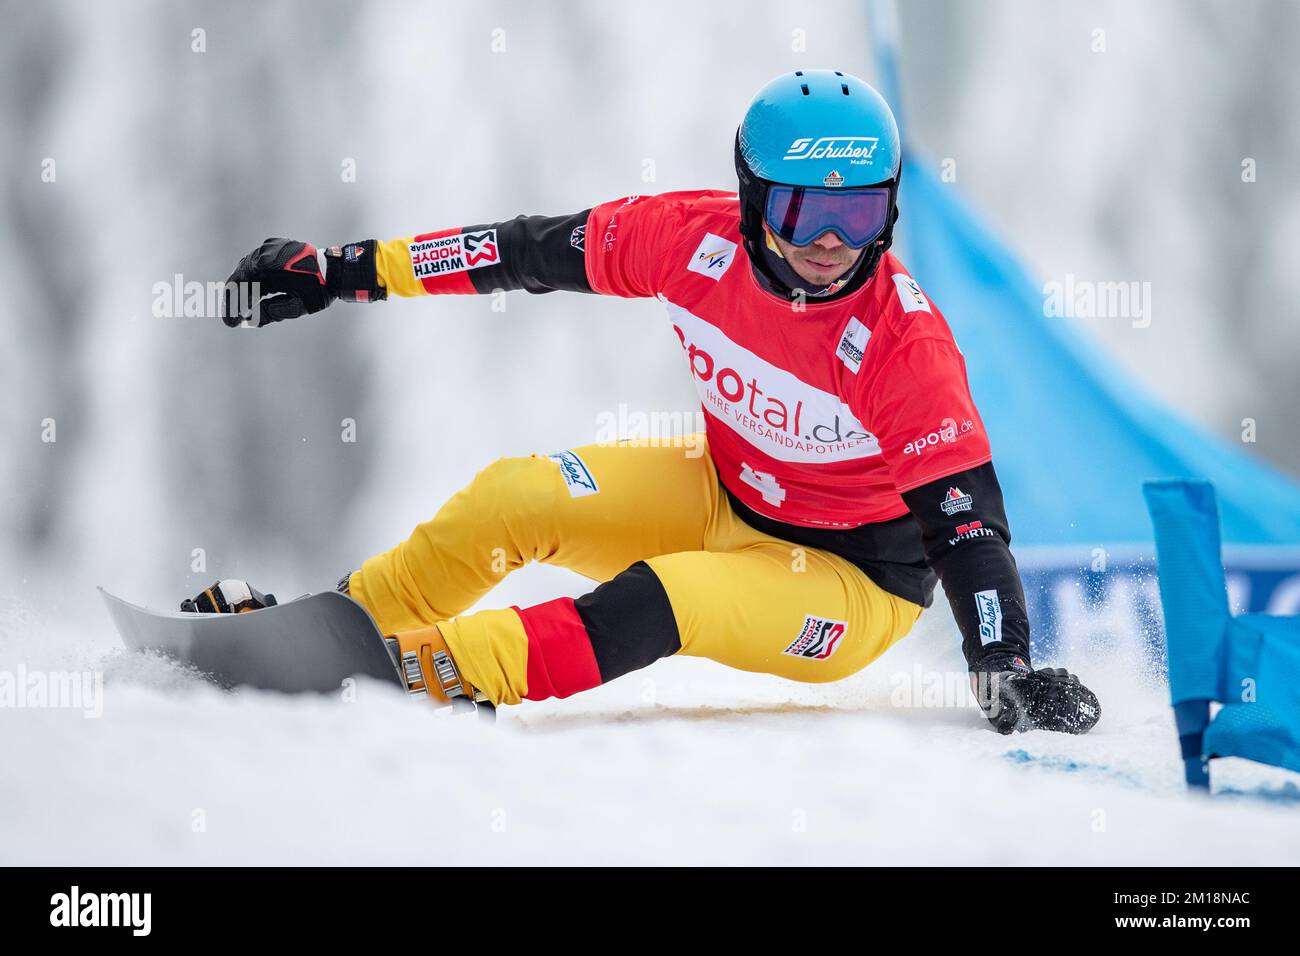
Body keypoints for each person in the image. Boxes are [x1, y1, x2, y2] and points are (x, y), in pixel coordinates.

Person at [192, 69, 1100, 733]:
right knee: (518, 496)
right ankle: (333, 627)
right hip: (724, 495)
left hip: (849, 583)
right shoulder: (685, 241)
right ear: (751, 204)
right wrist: (345, 272)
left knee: (670, 597)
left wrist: (1002, 664)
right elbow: (523, 252)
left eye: (859, 216)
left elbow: (967, 525)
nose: (831, 244)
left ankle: (427, 674)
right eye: (801, 214)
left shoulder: (904, 344)